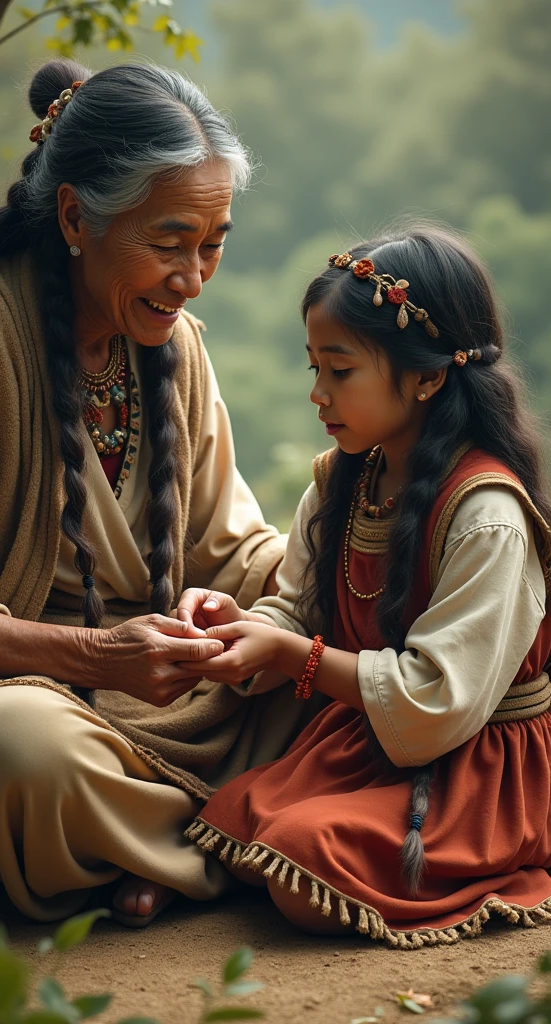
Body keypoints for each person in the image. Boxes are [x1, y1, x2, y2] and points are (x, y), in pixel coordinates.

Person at [0, 60, 323, 925]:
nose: (192, 277)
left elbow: (233, 551)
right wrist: (95, 657)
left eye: (214, 243)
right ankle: (246, 839)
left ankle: (157, 853)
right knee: (31, 760)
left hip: (164, 705)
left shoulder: (173, 346)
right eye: (169, 241)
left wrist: (284, 611)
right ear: (76, 215)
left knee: (329, 680)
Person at [177, 225, 551, 948]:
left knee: (301, 864)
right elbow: (296, 605)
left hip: (477, 769)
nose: (318, 394)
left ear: (427, 376)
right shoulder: (345, 477)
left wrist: (291, 658)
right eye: (313, 367)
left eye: (340, 371)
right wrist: (242, 626)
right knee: (240, 810)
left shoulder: (487, 517)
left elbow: (437, 704)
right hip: (366, 741)